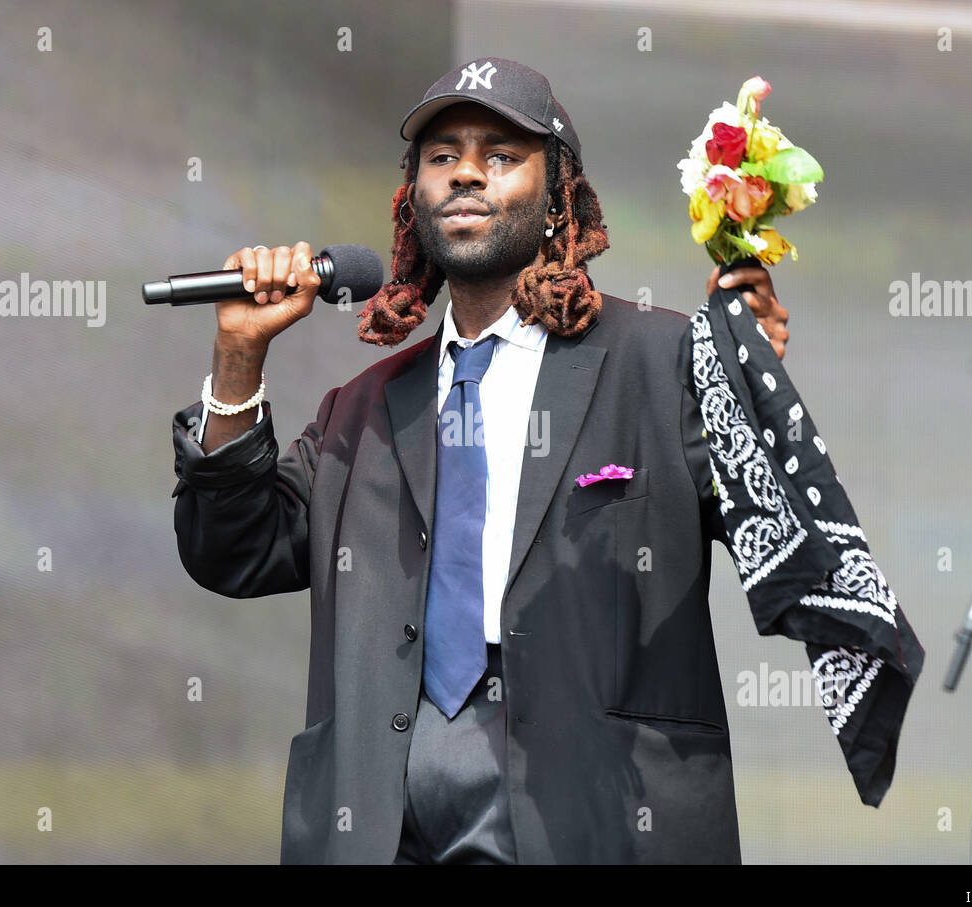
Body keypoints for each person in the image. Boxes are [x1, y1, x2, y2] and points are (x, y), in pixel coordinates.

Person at [171, 58, 802, 864]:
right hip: (378, 818)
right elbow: (232, 549)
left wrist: (756, 403)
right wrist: (237, 356)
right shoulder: (360, 409)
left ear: (556, 198)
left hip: (597, 812)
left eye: (500, 155)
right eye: (441, 157)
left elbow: (777, 544)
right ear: (413, 204)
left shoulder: (663, 358)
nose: (466, 171)